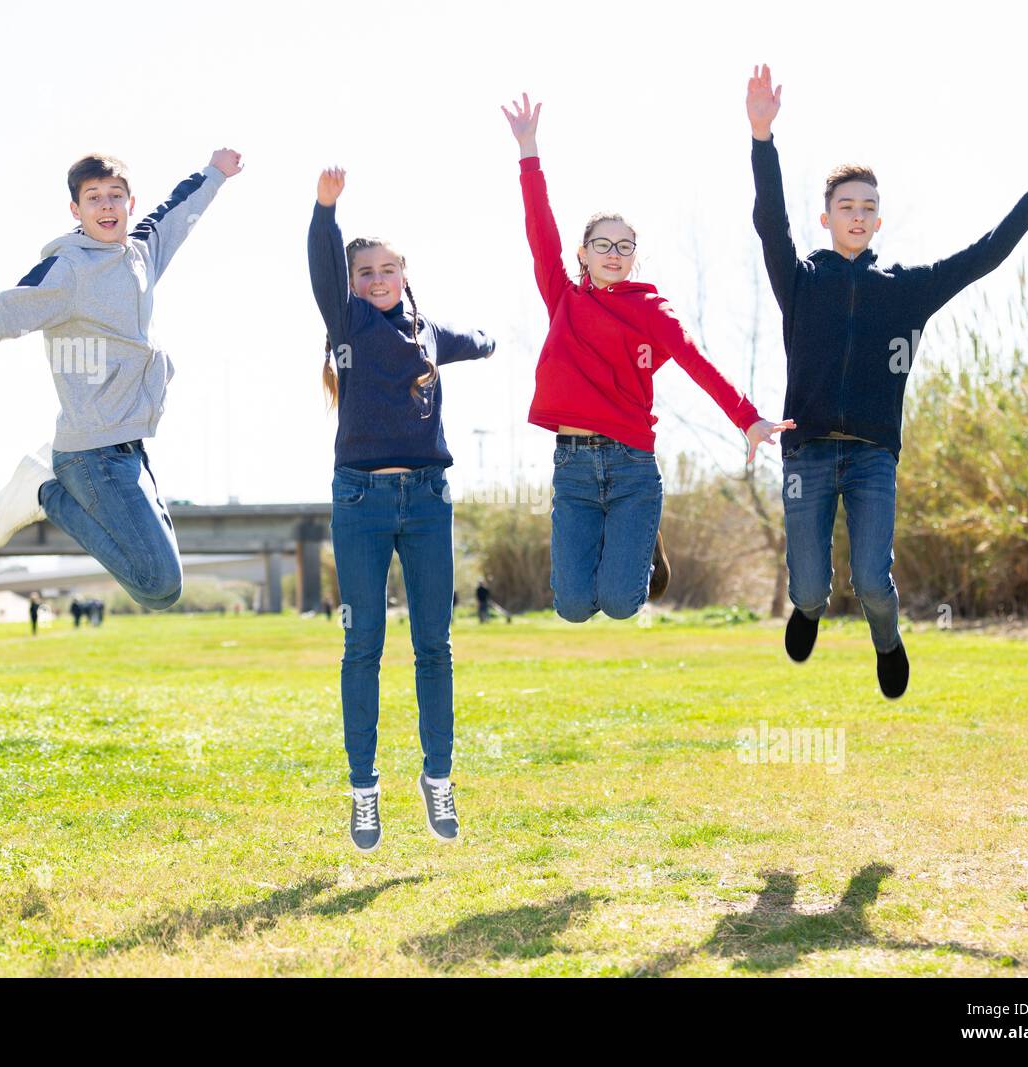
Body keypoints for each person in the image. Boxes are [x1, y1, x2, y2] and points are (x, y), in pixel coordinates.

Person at [745, 64, 1028, 698]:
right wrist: (762, 138)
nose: (857, 214)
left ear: (878, 222)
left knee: (873, 580)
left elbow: (986, 253)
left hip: (874, 455)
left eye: (868, 208)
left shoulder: (905, 290)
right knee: (810, 584)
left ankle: (887, 641)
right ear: (827, 219)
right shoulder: (800, 281)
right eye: (846, 206)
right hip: (808, 450)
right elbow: (770, 222)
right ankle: (808, 611)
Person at [0, 148, 245, 613]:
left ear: (129, 203)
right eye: (94, 198)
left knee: (163, 588)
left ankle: (47, 487)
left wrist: (214, 174)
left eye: (115, 197)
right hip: (90, 454)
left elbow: (176, 214)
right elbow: (2, 309)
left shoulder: (141, 254)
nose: (106, 206)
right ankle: (47, 493)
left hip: (129, 447)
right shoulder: (70, 272)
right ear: (76, 210)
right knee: (158, 583)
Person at [502, 93, 792, 624]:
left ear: (636, 255)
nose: (614, 253)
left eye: (625, 245)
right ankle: (629, 543)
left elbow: (696, 362)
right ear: (582, 254)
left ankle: (642, 544)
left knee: (618, 604)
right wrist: (528, 150)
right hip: (573, 467)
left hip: (632, 464)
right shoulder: (563, 297)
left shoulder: (651, 309)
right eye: (603, 244)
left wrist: (747, 419)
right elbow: (538, 225)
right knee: (570, 606)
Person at [309, 165, 494, 854]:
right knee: (364, 646)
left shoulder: (429, 334)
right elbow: (321, 261)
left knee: (434, 645)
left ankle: (439, 777)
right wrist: (325, 211)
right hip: (359, 498)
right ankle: (364, 790)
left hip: (427, 500)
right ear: (353, 282)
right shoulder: (347, 323)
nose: (378, 279)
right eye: (366, 271)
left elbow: (476, 339)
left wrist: (498, 338)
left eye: (389, 268)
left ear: (405, 274)